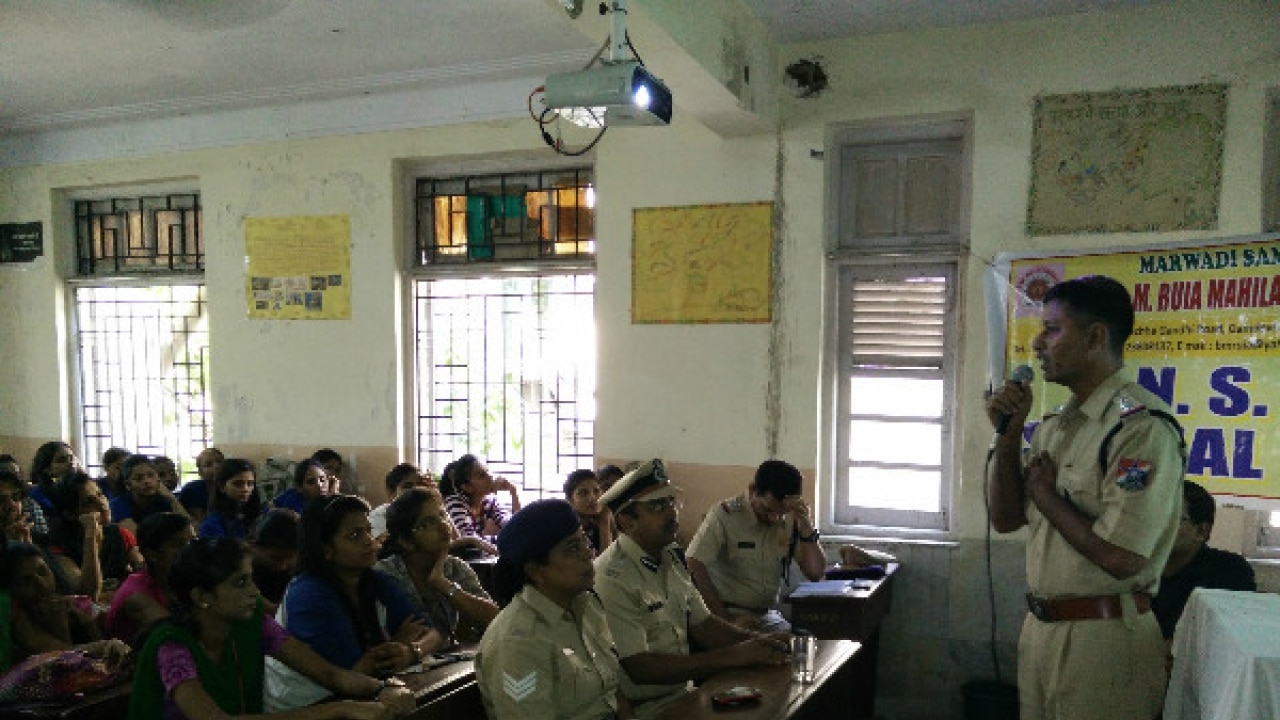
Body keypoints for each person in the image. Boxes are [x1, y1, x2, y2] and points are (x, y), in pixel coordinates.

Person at [985, 275, 1184, 720]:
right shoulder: (1056, 425)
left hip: (1104, 638)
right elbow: (1005, 519)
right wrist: (1009, 436)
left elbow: (1124, 557)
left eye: (1053, 329)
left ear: (1095, 337)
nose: (1038, 344)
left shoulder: (1141, 427)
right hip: (1040, 631)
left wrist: (1046, 495)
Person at [128, 535, 417, 720]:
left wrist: (385, 688)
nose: (255, 592)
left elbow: (331, 675)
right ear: (202, 597)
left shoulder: (254, 622)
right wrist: (337, 709)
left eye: (251, 579)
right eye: (240, 583)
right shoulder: (172, 646)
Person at [593, 460, 791, 717]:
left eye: (671, 502)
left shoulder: (671, 558)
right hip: (643, 710)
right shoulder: (612, 577)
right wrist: (733, 656)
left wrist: (762, 643)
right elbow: (640, 667)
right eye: (657, 506)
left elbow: (705, 625)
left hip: (683, 695)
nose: (671, 513)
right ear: (626, 522)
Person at [476, 499, 635, 720]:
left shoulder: (586, 606)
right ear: (535, 571)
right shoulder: (518, 644)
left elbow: (613, 692)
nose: (588, 554)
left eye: (584, 542)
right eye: (572, 548)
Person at [275, 495, 444, 684]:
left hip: (361, 691)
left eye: (368, 530)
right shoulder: (309, 595)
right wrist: (396, 644)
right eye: (355, 535)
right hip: (308, 704)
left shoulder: (373, 579)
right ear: (325, 549)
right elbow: (353, 674)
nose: (369, 541)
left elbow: (433, 634)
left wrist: (411, 651)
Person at [687, 459, 826, 631]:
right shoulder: (724, 516)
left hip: (766, 616)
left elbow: (815, 573)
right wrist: (725, 619)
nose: (773, 518)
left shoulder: (792, 518)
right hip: (726, 612)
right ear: (753, 490)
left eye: (780, 513)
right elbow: (693, 563)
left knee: (803, 644)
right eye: (767, 509)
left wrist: (806, 527)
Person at [376, 488, 498, 646]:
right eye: (427, 523)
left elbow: (495, 619)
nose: (443, 525)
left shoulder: (455, 567)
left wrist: (443, 584)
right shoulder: (385, 574)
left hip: (448, 667)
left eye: (442, 515)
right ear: (406, 541)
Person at [1151, 481, 1256, 639]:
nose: (1155, 526)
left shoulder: (1230, 573)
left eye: (1170, 518)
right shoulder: (1130, 569)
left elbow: (1238, 640)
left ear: (1201, 531)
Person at [0, 541, 130, 663]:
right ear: (12, 590)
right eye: (26, 580)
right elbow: (62, 661)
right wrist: (61, 627)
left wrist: (86, 623)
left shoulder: (73, 604)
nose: (41, 584)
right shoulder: (16, 618)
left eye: (42, 572)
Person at [46, 469, 144, 600]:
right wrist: (90, 534)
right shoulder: (59, 548)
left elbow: (143, 575)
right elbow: (87, 595)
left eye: (100, 494)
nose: (102, 504)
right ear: (69, 514)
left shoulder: (120, 534)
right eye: (89, 502)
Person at [105, 512, 195, 646]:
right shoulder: (136, 596)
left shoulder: (179, 581)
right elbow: (178, 636)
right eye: (178, 544)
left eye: (193, 541)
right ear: (152, 555)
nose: (190, 550)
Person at [439, 454, 521, 554]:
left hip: (478, 558)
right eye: (481, 475)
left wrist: (513, 491)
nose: (490, 477)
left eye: (487, 471)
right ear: (467, 487)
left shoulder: (490, 501)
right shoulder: (455, 503)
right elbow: (469, 542)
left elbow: (515, 527)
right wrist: (502, 539)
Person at [109, 454, 189, 534]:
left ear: (158, 479)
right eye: (138, 478)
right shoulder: (118, 504)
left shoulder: (164, 501)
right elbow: (136, 537)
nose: (147, 481)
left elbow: (188, 530)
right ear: (128, 485)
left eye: (151, 475)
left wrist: (172, 498)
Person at [199, 458, 264, 540]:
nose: (245, 489)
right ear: (222, 487)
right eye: (238, 484)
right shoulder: (212, 525)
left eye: (250, 484)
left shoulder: (261, 515)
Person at [251, 509, 300, 616]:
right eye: (275, 558)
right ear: (254, 546)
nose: (282, 566)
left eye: (289, 557)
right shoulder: (240, 566)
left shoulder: (301, 571)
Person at [369, 463, 435, 539]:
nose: (415, 490)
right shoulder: (379, 517)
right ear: (391, 492)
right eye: (407, 486)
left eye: (420, 485)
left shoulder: (428, 512)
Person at [28, 441, 78, 527]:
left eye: (71, 458)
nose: (71, 463)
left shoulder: (78, 488)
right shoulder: (38, 496)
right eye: (62, 460)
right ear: (47, 469)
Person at [563, 468, 613, 553]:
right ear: (570, 500)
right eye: (583, 493)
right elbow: (604, 564)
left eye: (596, 491)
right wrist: (605, 524)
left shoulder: (594, 525)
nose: (592, 498)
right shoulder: (567, 531)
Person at [177, 446, 224, 522]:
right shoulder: (192, 490)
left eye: (219, 462)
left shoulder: (229, 486)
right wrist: (212, 488)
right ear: (200, 472)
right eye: (208, 465)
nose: (216, 466)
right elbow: (202, 522)